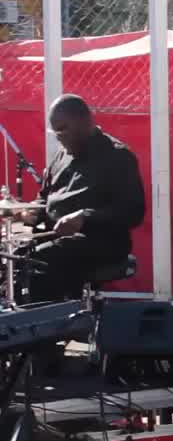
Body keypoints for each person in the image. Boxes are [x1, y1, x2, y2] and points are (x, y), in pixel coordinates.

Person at [17, 95, 145, 304]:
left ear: (86, 121)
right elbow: (45, 198)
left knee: (40, 259)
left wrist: (84, 217)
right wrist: (30, 213)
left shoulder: (117, 156)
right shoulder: (61, 156)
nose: (59, 137)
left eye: (63, 129)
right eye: (55, 131)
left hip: (101, 240)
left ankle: (47, 327)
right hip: (56, 236)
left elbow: (133, 211)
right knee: (16, 255)